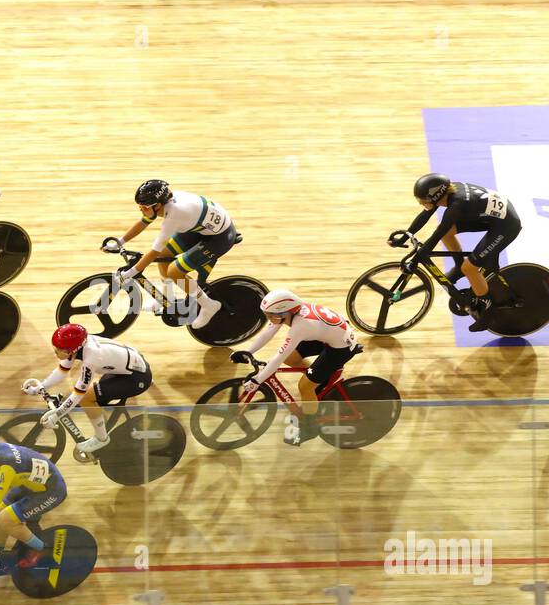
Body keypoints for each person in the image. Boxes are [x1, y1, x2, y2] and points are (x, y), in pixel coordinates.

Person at [394, 173, 521, 332]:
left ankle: (488, 310)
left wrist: (419, 255)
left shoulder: (456, 205)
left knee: (470, 268)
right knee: (449, 236)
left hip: (506, 226)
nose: (420, 203)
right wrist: (405, 236)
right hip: (492, 216)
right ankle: (458, 266)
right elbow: (426, 215)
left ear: (435, 196)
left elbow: (437, 234)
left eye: (422, 200)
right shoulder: (447, 192)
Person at [234, 289, 362, 446]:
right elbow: (268, 332)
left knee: (304, 386)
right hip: (331, 335)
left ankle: (310, 428)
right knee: (291, 358)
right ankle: (319, 380)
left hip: (341, 347)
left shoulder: (300, 326)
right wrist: (248, 352)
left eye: (271, 315)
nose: (268, 319)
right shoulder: (292, 313)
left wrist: (257, 380)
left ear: (285, 313)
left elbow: (278, 357)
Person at [109, 179, 237, 331]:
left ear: (157, 205)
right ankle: (168, 298)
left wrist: (131, 272)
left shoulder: (175, 214)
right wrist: (120, 242)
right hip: (199, 228)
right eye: (140, 206)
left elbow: (154, 250)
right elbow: (143, 222)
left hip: (219, 238)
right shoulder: (164, 203)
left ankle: (209, 305)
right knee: (163, 257)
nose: (141, 209)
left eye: (144, 207)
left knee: (174, 271)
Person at [22, 323, 152, 455]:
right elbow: (62, 371)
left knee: (86, 398)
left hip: (136, 379)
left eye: (59, 349)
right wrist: (40, 388)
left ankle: (102, 439)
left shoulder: (91, 358)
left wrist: (56, 415)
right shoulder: (78, 345)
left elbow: (79, 393)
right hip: (128, 367)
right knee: (93, 396)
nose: (55, 351)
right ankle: (100, 420)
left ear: (71, 349)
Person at [0, 434, 67, 576]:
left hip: (51, 491)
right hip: (30, 484)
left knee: (5, 519)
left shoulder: (6, 468)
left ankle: (43, 551)